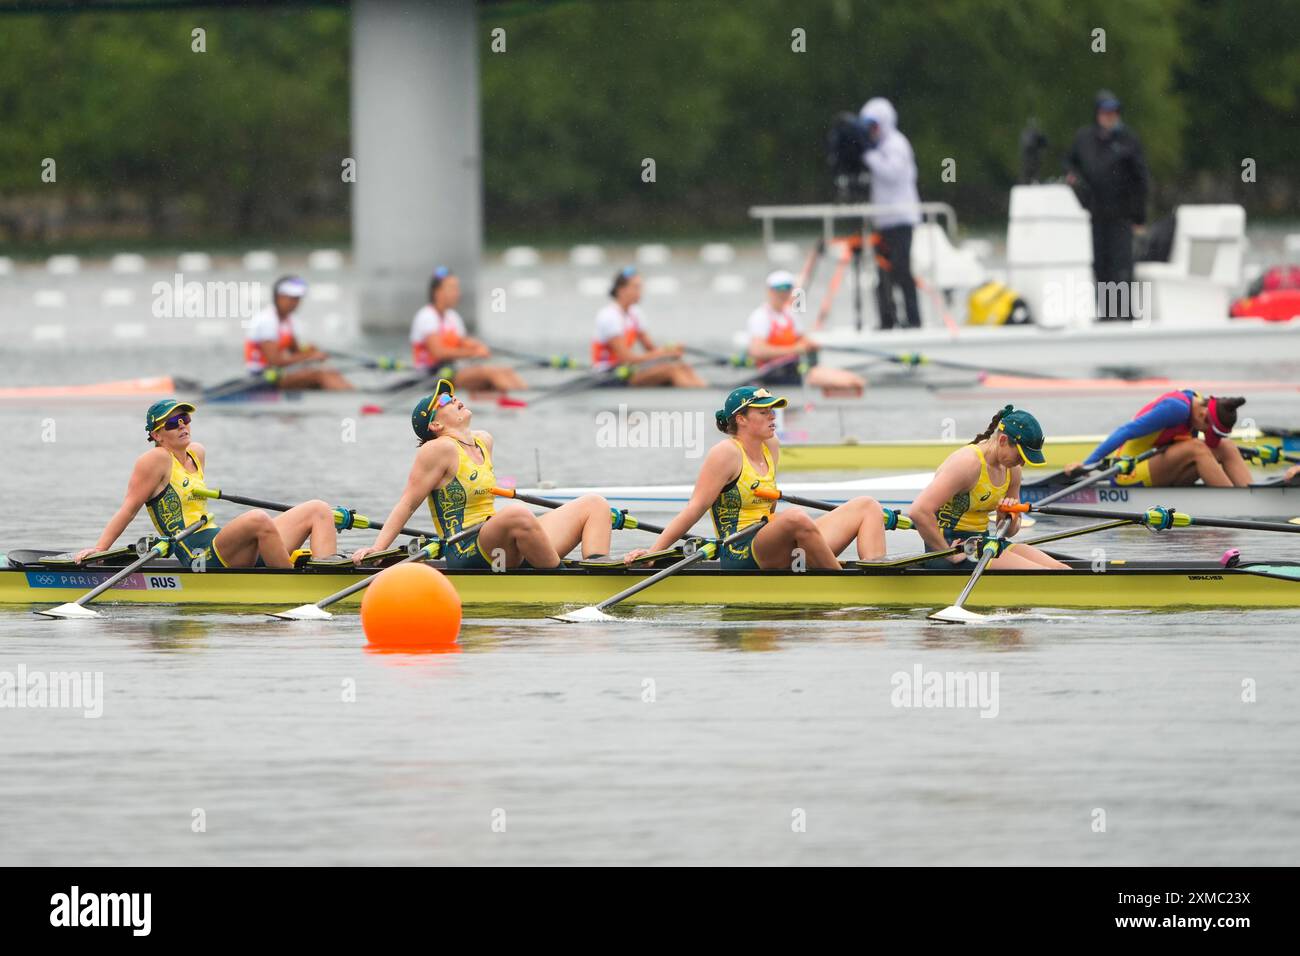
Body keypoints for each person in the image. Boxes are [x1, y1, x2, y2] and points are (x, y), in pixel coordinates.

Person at [350, 380, 614, 568]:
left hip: (500, 539)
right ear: (435, 424)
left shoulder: (484, 441)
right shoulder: (437, 449)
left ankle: (599, 572)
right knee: (517, 513)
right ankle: (564, 581)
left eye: (451, 395)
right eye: (443, 400)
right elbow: (407, 503)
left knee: (595, 504)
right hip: (466, 547)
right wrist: (378, 548)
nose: (453, 398)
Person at [622, 386, 888, 569]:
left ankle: (877, 578)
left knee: (867, 505)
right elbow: (694, 508)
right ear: (742, 419)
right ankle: (842, 585)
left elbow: (769, 508)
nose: (773, 416)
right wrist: (655, 552)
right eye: (764, 412)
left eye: (773, 410)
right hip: (739, 550)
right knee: (796, 517)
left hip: (772, 542)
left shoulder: (771, 446)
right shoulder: (725, 453)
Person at [74, 400, 338, 568]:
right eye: (173, 423)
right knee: (257, 518)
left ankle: (326, 571)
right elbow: (128, 510)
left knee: (318, 508)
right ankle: (293, 586)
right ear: (156, 434)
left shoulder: (196, 452)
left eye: (185, 419)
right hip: (199, 553)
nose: (182, 426)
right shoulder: (154, 460)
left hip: (222, 544)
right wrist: (100, 549)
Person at [910, 406, 1068, 571]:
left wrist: (1006, 516)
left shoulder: (1013, 470)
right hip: (949, 549)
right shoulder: (967, 463)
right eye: (1020, 455)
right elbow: (919, 511)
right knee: (1043, 573)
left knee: (1061, 569)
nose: (1022, 463)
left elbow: (1010, 531)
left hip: (983, 543)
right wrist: (948, 554)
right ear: (1003, 440)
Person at [1065, 90, 1150, 321]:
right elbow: (1070, 164)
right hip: (1093, 215)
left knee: (1121, 267)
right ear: (1097, 114)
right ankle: (1106, 314)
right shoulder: (1084, 138)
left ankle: (1125, 315)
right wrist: (1073, 178)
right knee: (1100, 266)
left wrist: (1139, 219)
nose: (1109, 116)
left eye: (1113, 112)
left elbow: (1141, 181)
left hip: (1121, 215)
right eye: (1105, 112)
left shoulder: (1128, 141)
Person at [1068, 391, 1250, 487]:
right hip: (1129, 472)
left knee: (1226, 446)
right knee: (1196, 447)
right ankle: (1232, 500)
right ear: (1204, 415)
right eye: (1211, 431)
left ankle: (1250, 494)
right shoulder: (1176, 409)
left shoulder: (1198, 403)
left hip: (1161, 469)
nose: (1211, 436)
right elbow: (1125, 431)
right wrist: (1087, 464)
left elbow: (1214, 445)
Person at [745, 270, 866, 395]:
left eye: (787, 288)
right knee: (849, 382)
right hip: (772, 371)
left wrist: (811, 344)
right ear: (770, 291)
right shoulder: (760, 316)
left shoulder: (790, 314)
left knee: (854, 380)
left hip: (794, 367)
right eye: (779, 289)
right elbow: (757, 351)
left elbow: (802, 339)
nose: (783, 293)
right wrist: (794, 349)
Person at [410, 267, 528, 393]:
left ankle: (523, 394)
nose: (457, 293)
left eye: (457, 288)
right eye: (452, 288)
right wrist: (473, 352)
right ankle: (518, 399)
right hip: (432, 375)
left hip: (451, 371)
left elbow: (463, 342)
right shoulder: (426, 316)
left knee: (505, 370)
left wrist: (478, 346)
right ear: (437, 292)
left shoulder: (452, 317)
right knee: (491, 372)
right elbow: (439, 352)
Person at [860, 97, 922, 330]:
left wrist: (868, 156)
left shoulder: (897, 144)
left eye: (873, 125)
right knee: (883, 271)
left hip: (901, 218)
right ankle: (887, 320)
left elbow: (892, 174)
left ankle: (914, 320)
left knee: (901, 270)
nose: (871, 131)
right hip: (884, 219)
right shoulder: (878, 147)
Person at [592, 267, 707, 387]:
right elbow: (627, 358)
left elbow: (650, 349)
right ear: (621, 290)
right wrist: (664, 353)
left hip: (627, 371)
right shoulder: (609, 316)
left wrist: (671, 351)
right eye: (636, 287)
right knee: (671, 370)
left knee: (681, 365)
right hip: (609, 375)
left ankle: (704, 390)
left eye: (641, 287)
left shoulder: (635, 314)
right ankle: (694, 396)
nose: (640, 292)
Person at [244, 276, 353, 390]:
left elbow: (294, 352)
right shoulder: (266, 320)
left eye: (298, 299)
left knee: (329, 370)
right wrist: (310, 356)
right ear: (279, 297)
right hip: (262, 378)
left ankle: (354, 397)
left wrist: (311, 350)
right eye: (291, 299)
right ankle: (354, 401)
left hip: (280, 374)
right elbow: (275, 361)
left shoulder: (289, 321)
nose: (296, 303)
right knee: (320, 374)